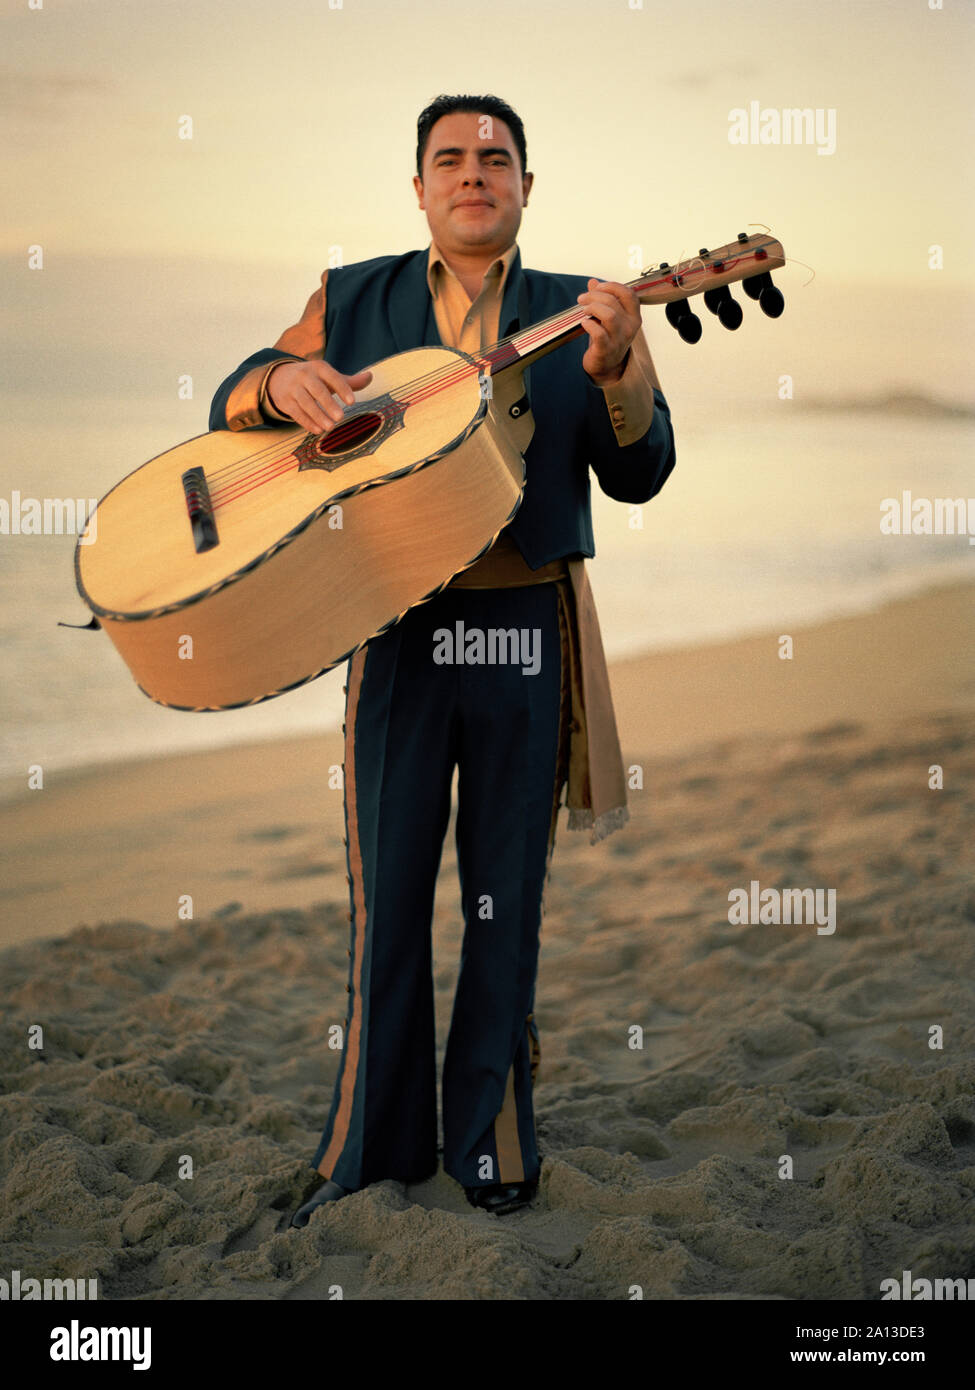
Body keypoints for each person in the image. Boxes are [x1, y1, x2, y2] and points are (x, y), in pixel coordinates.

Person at [209, 94, 676, 1225]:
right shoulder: (353, 295)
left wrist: (620, 370)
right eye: (451, 159)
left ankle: (492, 1145)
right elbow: (231, 405)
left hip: (524, 631)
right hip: (394, 630)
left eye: (497, 159)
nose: (475, 174)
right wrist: (281, 384)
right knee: (389, 902)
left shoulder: (587, 311)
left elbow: (644, 472)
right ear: (418, 187)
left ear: (526, 185)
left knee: (501, 902)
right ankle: (369, 1150)